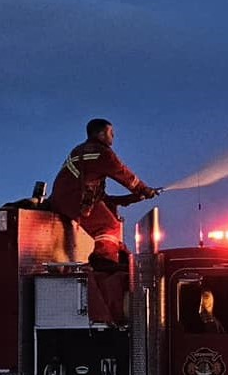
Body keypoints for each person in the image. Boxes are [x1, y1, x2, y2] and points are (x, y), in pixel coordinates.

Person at [48, 118, 159, 325]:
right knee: (109, 225)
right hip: (73, 199)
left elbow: (101, 196)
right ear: (100, 134)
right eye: (111, 132)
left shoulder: (84, 151)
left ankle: (106, 258)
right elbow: (124, 174)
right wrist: (144, 190)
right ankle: (103, 260)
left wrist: (130, 199)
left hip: (69, 197)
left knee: (109, 218)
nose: (113, 137)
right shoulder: (102, 153)